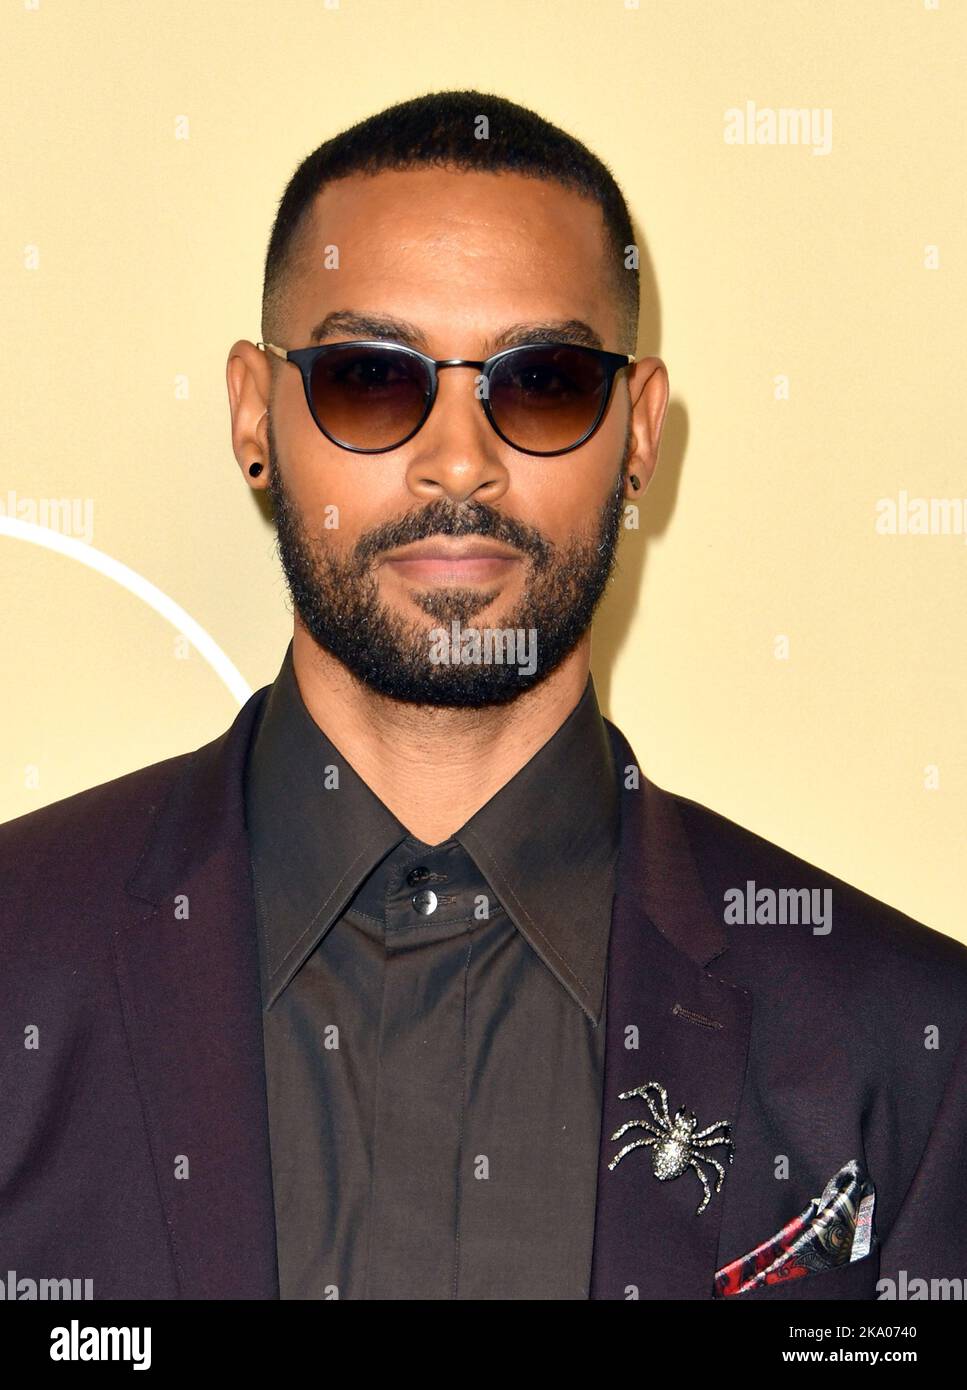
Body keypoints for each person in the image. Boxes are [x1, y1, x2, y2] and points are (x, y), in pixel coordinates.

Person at [1, 90, 964, 1302]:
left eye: (545, 381)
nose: (459, 460)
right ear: (256, 414)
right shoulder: (19, 962)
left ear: (638, 433)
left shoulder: (909, 1057)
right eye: (366, 377)